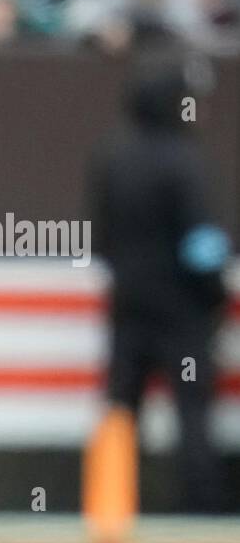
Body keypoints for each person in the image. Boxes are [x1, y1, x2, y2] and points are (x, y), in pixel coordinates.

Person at [88, 50, 231, 514]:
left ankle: (111, 504)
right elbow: (200, 239)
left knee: (120, 405)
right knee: (192, 407)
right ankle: (201, 503)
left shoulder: (112, 153)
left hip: (128, 300)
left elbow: (100, 234)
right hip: (181, 307)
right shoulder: (183, 159)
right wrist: (217, 292)